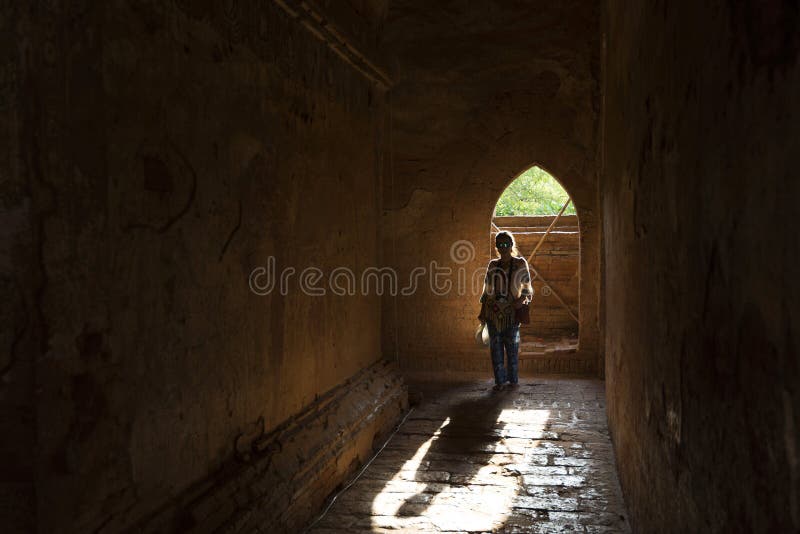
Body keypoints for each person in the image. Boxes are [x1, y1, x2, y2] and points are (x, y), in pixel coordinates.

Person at [478, 231, 533, 391]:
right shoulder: (493, 265)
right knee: (495, 349)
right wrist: (482, 312)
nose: (503, 248)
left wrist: (520, 301)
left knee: (512, 348)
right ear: (496, 247)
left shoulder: (520, 263)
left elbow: (527, 288)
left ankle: (513, 380)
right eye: (499, 245)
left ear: (511, 245)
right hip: (493, 313)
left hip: (512, 314)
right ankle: (500, 382)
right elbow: (487, 291)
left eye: (506, 244)